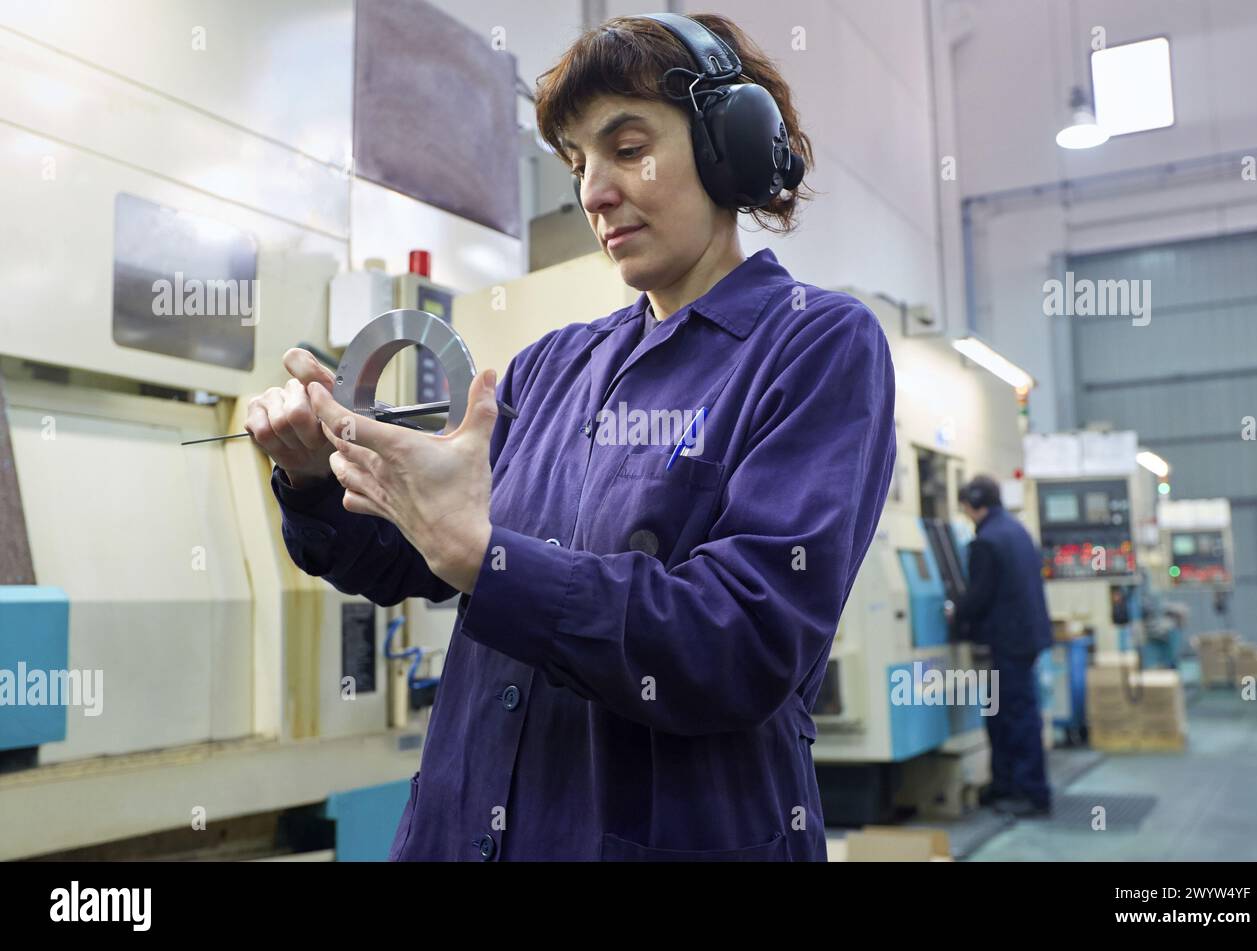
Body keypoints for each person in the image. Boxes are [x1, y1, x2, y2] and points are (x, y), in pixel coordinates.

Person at [245, 13, 896, 860]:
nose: (592, 191)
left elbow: (742, 640)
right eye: (579, 163)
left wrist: (488, 559)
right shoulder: (549, 369)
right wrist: (313, 479)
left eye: (628, 149)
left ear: (727, 146)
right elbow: (410, 559)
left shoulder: (817, 346)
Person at [947, 475, 1053, 817]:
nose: (966, 515)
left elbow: (978, 597)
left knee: (1015, 717)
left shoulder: (986, 542)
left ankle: (1032, 793)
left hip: (1009, 642)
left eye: (965, 508)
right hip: (1025, 638)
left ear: (975, 503)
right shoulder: (1016, 530)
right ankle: (1005, 785)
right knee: (1004, 715)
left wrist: (955, 612)